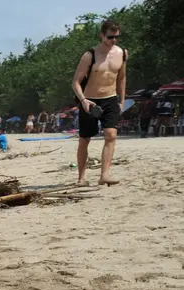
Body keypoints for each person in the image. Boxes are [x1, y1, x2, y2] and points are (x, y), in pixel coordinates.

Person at [72, 19, 127, 186]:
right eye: (110, 37)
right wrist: (83, 100)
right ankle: (81, 178)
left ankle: (105, 175)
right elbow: (75, 81)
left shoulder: (122, 53)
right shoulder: (90, 55)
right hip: (90, 100)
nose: (114, 40)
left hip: (110, 99)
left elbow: (122, 78)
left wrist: (122, 100)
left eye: (117, 37)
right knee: (85, 139)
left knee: (111, 135)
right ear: (101, 35)